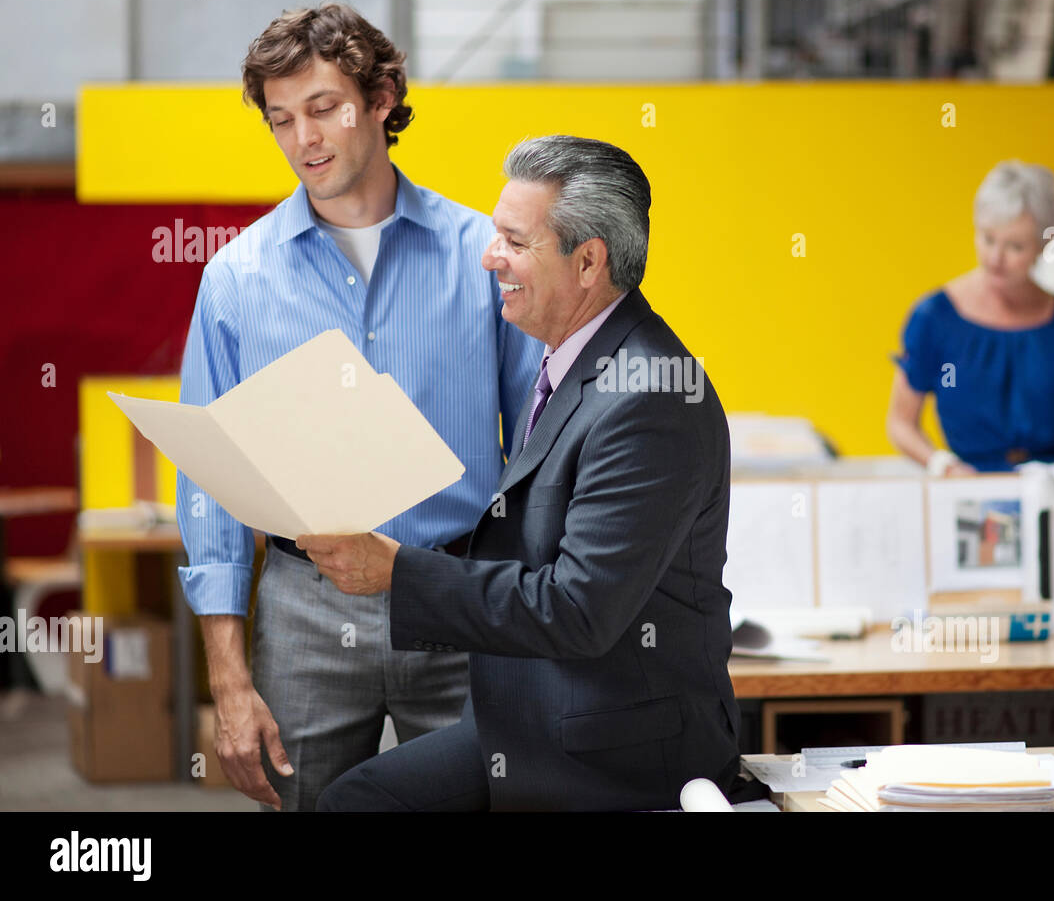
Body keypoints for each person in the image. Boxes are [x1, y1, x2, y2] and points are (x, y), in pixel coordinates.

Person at [298, 135, 742, 811]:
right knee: (356, 798)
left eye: (513, 240)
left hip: (615, 749)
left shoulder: (651, 397)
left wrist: (397, 570)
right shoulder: (576, 362)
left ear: (589, 260)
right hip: (540, 717)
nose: (488, 256)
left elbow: (579, 608)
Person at [176, 2, 542, 811]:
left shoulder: (483, 257)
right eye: (280, 120)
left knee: (489, 803)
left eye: (323, 108)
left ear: (380, 99)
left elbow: (540, 451)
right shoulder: (236, 281)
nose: (302, 139)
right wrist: (230, 685)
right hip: (304, 610)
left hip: (455, 592)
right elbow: (211, 495)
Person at [886, 160, 1054, 475]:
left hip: (1048, 486)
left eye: (1015, 247)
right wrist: (946, 467)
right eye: (987, 239)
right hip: (965, 486)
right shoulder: (934, 318)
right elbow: (900, 423)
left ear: (1044, 245)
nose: (995, 259)